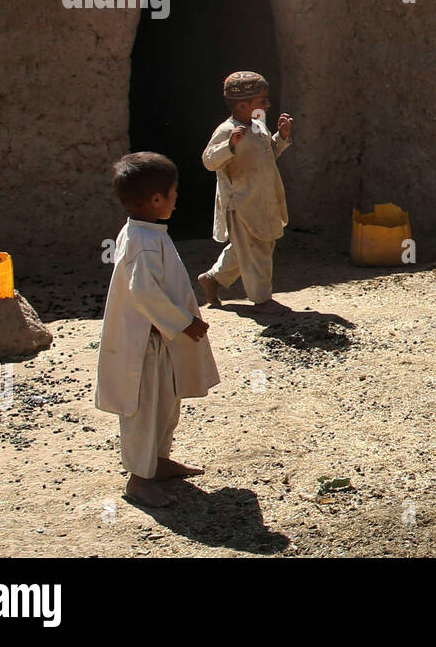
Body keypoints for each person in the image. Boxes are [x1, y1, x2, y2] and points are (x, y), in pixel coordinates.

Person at [96, 152, 220, 508]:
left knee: (167, 404)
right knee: (144, 409)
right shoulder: (142, 241)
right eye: (173, 192)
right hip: (144, 346)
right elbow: (144, 292)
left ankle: (158, 461)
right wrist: (183, 322)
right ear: (155, 200)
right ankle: (139, 478)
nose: (177, 197)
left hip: (160, 343)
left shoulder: (147, 232)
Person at [197, 72, 293, 312]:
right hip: (241, 202)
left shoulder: (258, 127)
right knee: (256, 250)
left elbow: (269, 153)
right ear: (242, 105)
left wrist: (281, 137)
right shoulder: (227, 131)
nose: (267, 105)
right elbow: (209, 160)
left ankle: (212, 278)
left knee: (251, 247)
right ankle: (262, 300)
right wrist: (229, 146)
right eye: (262, 101)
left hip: (264, 200)